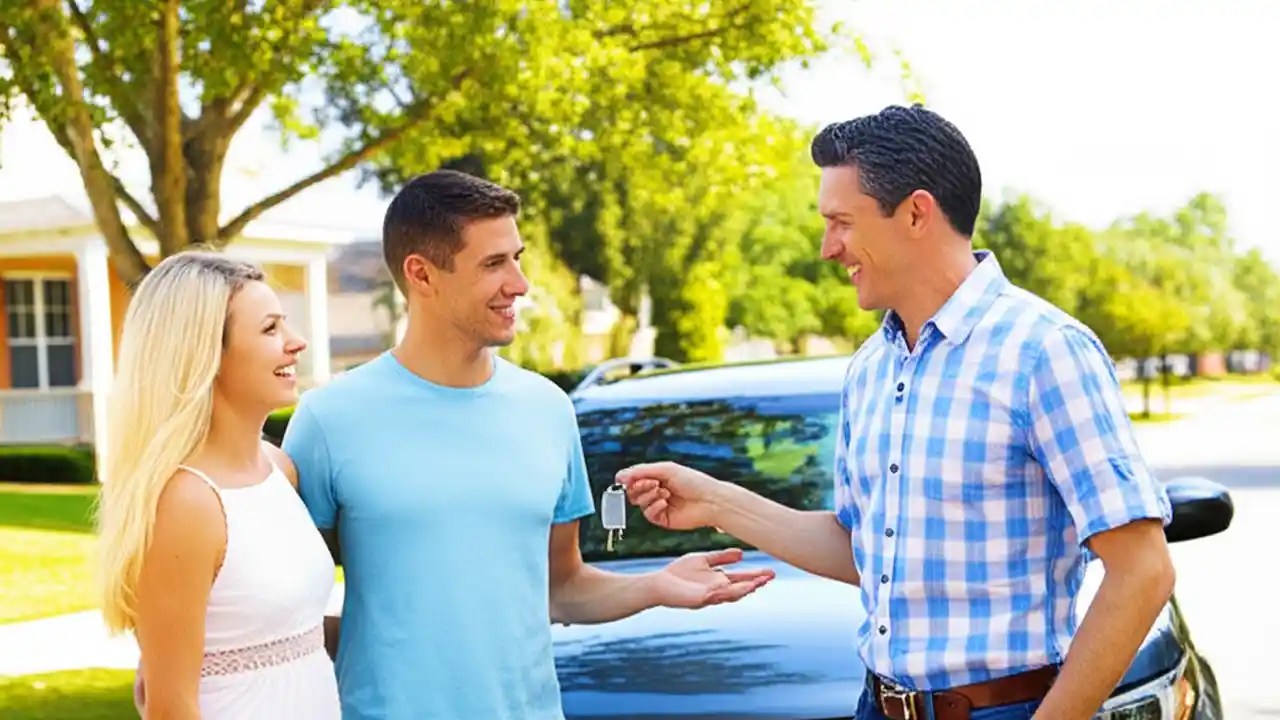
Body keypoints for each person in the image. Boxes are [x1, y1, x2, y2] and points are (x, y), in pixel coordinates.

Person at [618, 105, 1175, 720]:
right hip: (876, 705)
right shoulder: (872, 368)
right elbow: (863, 549)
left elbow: (1142, 572)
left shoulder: (1044, 352)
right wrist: (717, 503)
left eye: (841, 223)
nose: (829, 249)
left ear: (915, 212)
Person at [281, 169, 775, 719]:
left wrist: (655, 586)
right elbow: (284, 607)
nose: (519, 283)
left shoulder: (548, 410)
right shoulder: (328, 421)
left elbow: (560, 588)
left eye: (517, 257)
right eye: (494, 264)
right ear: (421, 274)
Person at [96, 251, 341, 718]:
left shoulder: (279, 469)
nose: (297, 343)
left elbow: (282, 631)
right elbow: (172, 708)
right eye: (270, 329)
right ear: (206, 353)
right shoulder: (187, 503)